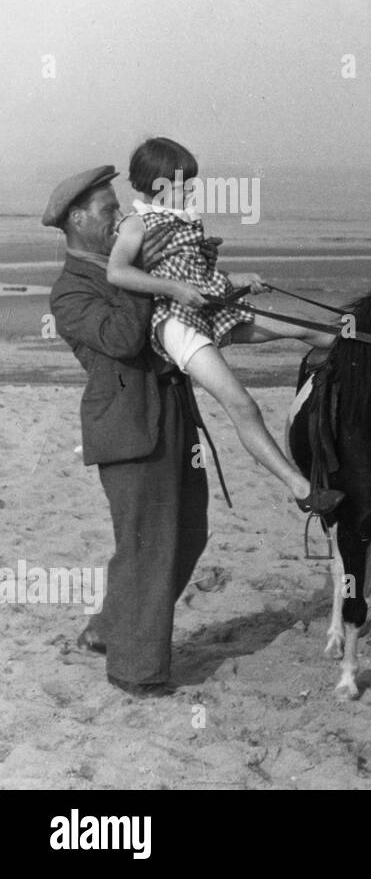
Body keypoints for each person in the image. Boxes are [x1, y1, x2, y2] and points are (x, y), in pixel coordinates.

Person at [106, 137, 342, 513]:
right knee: (242, 404)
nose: (192, 189)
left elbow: (196, 273)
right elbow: (117, 272)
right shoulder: (137, 223)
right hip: (176, 323)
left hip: (210, 307)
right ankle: (301, 489)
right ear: (158, 185)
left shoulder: (184, 220)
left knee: (306, 328)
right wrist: (173, 289)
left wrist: (239, 278)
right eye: (185, 183)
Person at [46, 165, 212, 697]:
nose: (120, 216)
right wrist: (140, 273)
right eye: (107, 210)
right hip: (127, 426)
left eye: (119, 207)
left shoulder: (122, 264)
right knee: (146, 546)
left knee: (187, 533)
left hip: (172, 415)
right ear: (77, 219)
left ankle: (109, 629)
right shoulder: (69, 291)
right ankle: (136, 672)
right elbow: (120, 338)